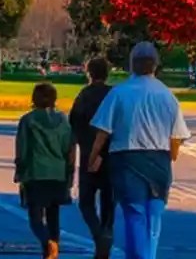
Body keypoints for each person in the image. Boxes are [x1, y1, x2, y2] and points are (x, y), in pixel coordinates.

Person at [88, 42, 190, 259]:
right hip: (159, 160)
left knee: (135, 213)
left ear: (131, 65)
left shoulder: (119, 93)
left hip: (126, 159)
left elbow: (103, 132)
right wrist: (171, 156)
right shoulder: (167, 96)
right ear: (155, 66)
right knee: (154, 216)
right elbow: (176, 137)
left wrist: (93, 156)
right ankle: (148, 255)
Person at [15, 82, 75, 259]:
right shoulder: (63, 121)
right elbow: (69, 149)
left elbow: (23, 149)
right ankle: (53, 249)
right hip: (58, 174)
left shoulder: (28, 120)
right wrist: (69, 174)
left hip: (35, 173)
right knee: (53, 215)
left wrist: (20, 171)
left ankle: (46, 242)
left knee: (35, 219)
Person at [68, 57, 114, 259]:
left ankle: (98, 235)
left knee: (86, 202)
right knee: (109, 200)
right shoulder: (114, 95)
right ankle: (106, 233)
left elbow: (74, 123)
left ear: (89, 73)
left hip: (89, 154)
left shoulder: (84, 96)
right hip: (112, 155)